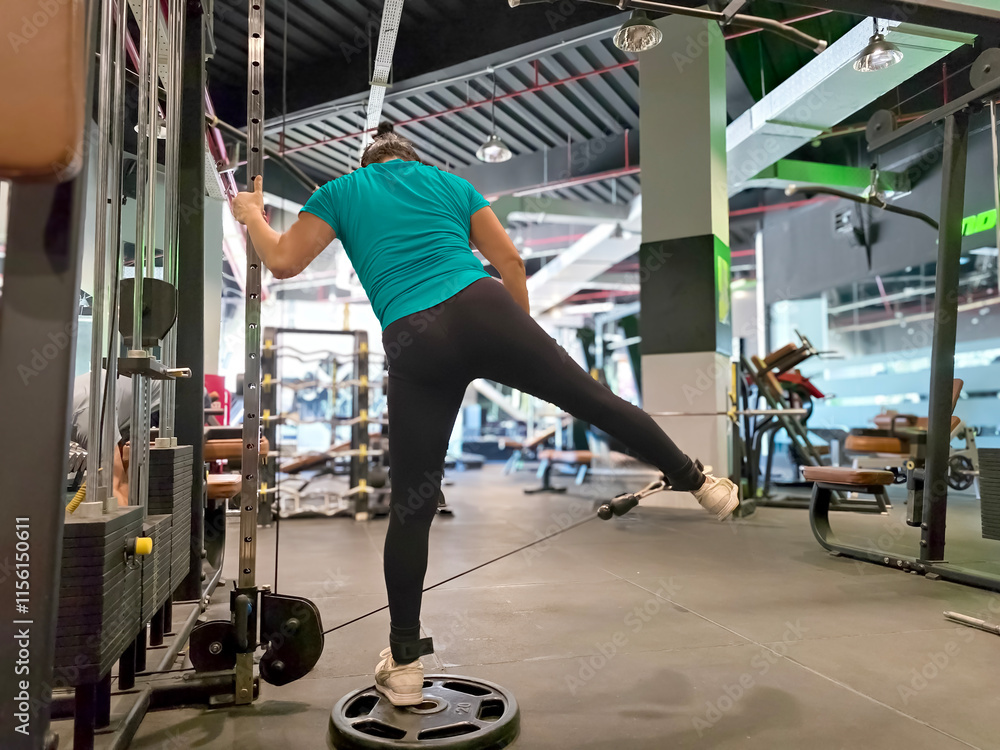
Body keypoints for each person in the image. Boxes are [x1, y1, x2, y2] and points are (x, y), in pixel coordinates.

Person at [231, 123, 739, 707]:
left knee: (412, 507)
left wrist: (250, 214)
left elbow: (283, 262)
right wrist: (518, 345)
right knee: (598, 402)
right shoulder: (451, 184)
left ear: (367, 161)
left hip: (412, 336)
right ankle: (701, 484)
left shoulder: (340, 191)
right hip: (486, 309)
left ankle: (403, 664)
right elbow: (512, 262)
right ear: (411, 159)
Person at [70, 373, 161, 506]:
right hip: (126, 403)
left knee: (116, 480)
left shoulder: (89, 420)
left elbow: (115, 486)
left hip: (161, 400)